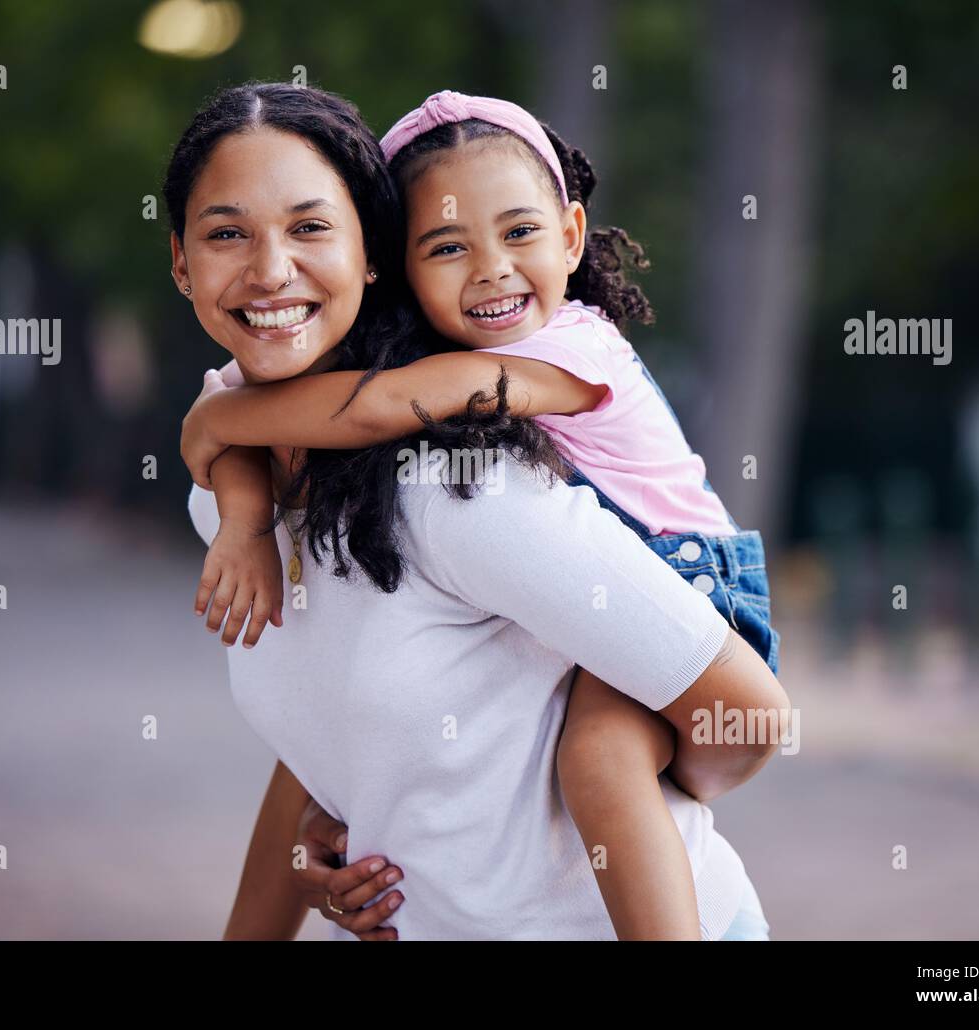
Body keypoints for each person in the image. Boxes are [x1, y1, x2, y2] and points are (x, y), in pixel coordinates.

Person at [170, 81, 787, 939]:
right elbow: (334, 724)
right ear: (180, 262)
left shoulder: (460, 478)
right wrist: (338, 838)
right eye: (227, 232)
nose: (271, 268)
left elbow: (751, 714)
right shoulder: (234, 490)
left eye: (311, 226)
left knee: (602, 758)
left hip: (696, 575)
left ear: (369, 253)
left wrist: (674, 769)